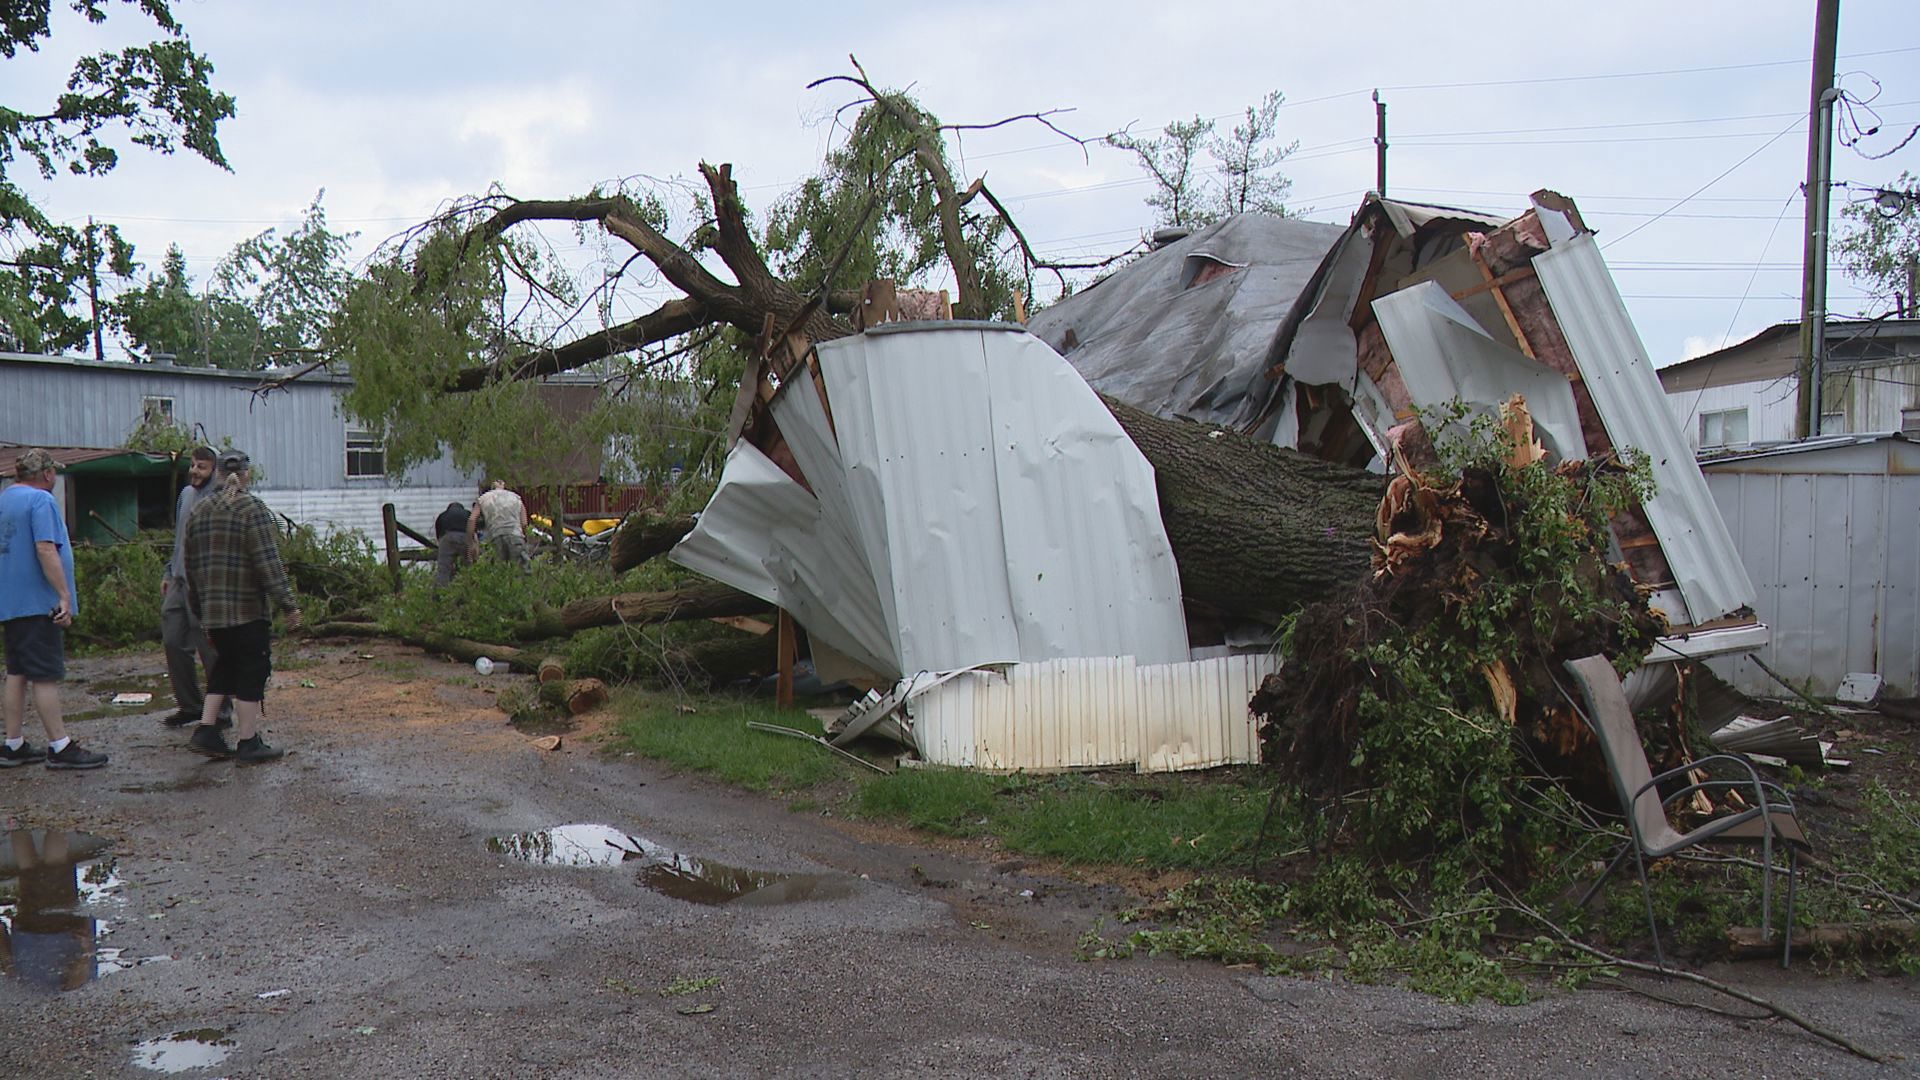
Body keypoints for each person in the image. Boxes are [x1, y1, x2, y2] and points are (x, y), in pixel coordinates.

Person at [182, 449, 301, 763]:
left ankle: (207, 729)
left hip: (214, 613)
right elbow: (268, 564)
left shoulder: (200, 510)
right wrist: (288, 605)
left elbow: (190, 566)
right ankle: (248, 741)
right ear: (247, 475)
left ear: (217, 474)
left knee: (225, 666)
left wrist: (199, 611)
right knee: (251, 669)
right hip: (247, 611)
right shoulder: (252, 509)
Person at [0, 449, 108, 770]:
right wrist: (63, 595)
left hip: (10, 602)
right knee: (45, 674)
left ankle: (13, 743)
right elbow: (46, 548)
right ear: (47, 474)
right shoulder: (41, 501)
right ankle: (59, 745)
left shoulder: (4, 500)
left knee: (16, 672)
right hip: (37, 602)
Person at [160, 446, 227, 728]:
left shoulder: (222, 499)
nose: (194, 472)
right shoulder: (186, 495)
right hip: (178, 579)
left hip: (206, 586)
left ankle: (221, 713)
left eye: (202, 467)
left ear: (214, 470)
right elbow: (179, 538)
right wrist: (168, 571)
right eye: (193, 465)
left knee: (210, 649)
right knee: (173, 642)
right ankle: (190, 706)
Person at [467, 480, 530, 570]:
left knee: (499, 571)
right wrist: (525, 538)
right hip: (515, 535)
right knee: (522, 571)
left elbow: (471, 519)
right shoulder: (516, 498)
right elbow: (524, 523)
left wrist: (471, 542)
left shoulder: (483, 499)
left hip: (495, 536)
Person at [432, 500, 469, 586]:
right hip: (465, 537)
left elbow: (439, 535)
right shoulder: (467, 513)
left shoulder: (443, 515)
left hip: (447, 538)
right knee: (468, 566)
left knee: (443, 569)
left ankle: (440, 594)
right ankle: (468, 590)